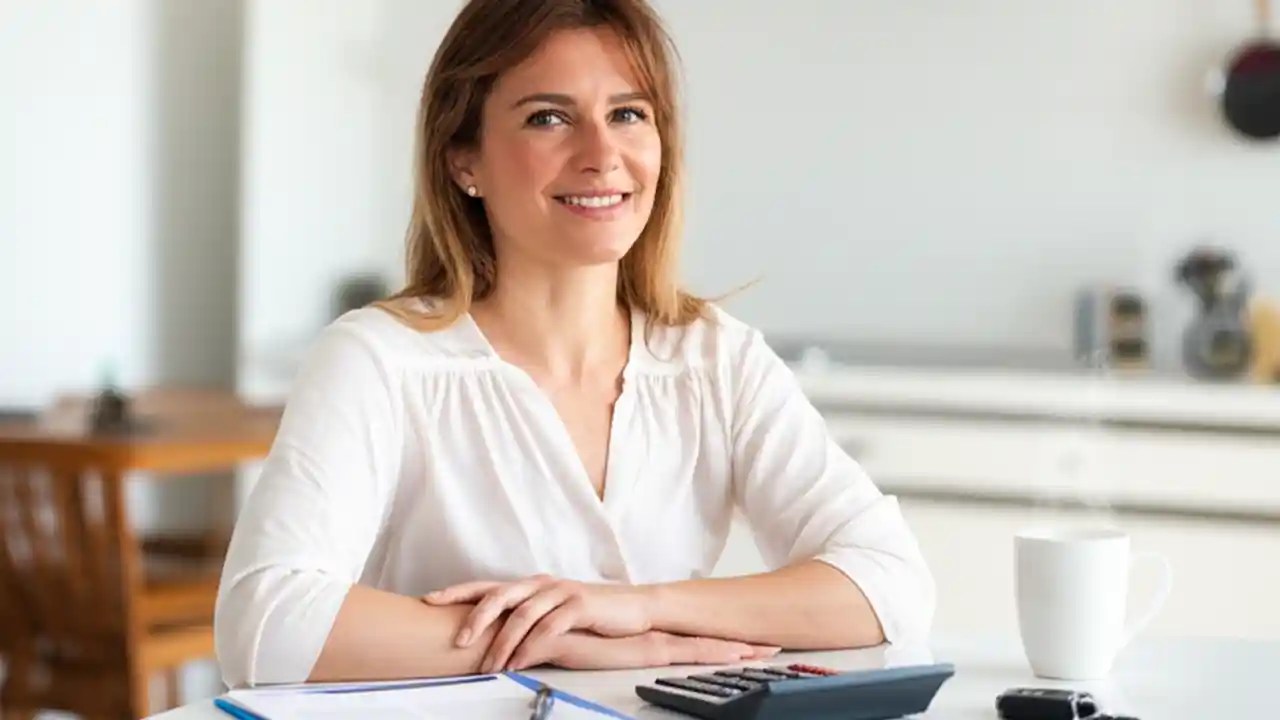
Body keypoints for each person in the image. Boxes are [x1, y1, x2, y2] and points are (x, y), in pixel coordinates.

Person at [214, 0, 934, 688]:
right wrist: (552, 644)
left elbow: (892, 584)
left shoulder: (716, 360)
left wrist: (637, 607)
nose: (602, 154)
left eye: (628, 114)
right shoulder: (380, 360)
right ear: (464, 159)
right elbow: (267, 624)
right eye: (548, 118)